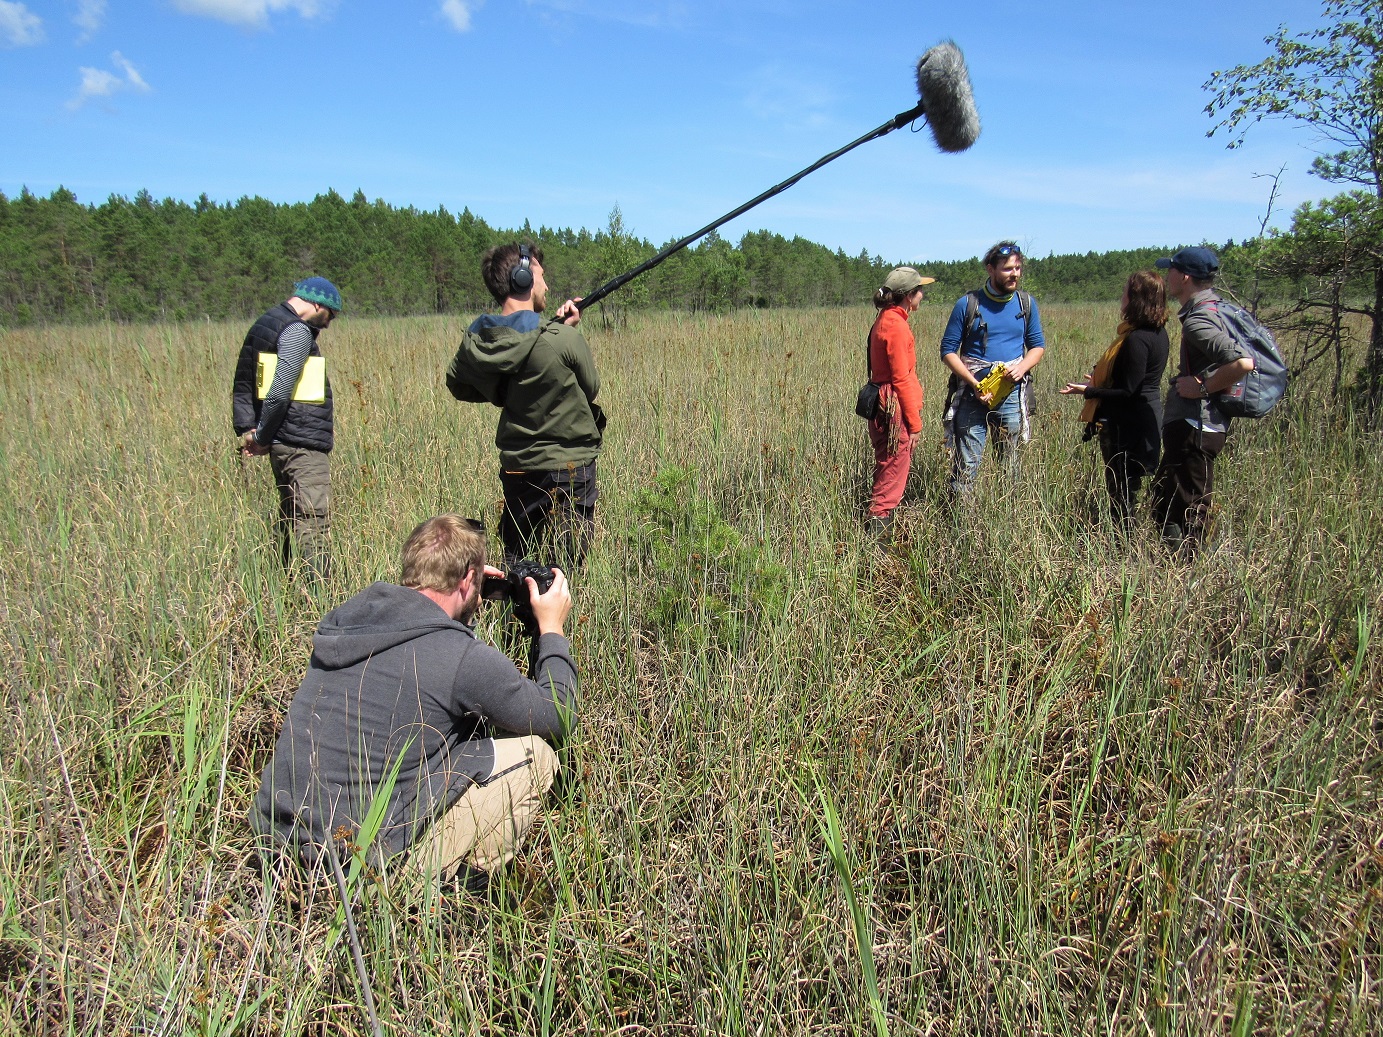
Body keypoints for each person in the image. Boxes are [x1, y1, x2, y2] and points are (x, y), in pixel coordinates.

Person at [249, 514, 576, 891]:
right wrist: (552, 629)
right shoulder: (459, 658)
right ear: (471, 579)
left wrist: (464, 602)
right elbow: (556, 713)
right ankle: (445, 890)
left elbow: (423, 671)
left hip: (278, 853)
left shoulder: (347, 625)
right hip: (356, 871)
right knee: (535, 755)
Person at [447, 243, 604, 568]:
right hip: (569, 469)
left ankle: (513, 613)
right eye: (541, 277)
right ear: (523, 279)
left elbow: (458, 384)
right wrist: (561, 333)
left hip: (518, 469)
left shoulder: (481, 341)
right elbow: (591, 388)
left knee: (518, 558)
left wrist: (502, 388)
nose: (546, 286)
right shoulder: (561, 340)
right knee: (564, 566)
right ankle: (553, 617)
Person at [232, 276, 343, 583]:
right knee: (312, 522)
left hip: (284, 439)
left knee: (291, 517)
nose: (329, 323)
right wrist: (262, 435)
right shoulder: (295, 331)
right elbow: (280, 390)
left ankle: (288, 586)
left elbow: (244, 384)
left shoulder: (265, 323)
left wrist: (251, 429)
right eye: (330, 315)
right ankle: (317, 595)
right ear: (317, 303)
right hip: (299, 443)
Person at [1147, 247, 1255, 552]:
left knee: (1193, 504)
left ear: (1184, 277)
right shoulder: (1216, 308)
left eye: (1170, 271)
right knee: (1164, 497)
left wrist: (1203, 388)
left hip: (1197, 425)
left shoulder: (1198, 321)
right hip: (1198, 424)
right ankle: (1170, 562)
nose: (1166, 276)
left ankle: (1188, 572)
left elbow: (1243, 362)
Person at [1059, 270, 1170, 527]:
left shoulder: (1136, 339)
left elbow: (1128, 392)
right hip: (1145, 418)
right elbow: (1133, 380)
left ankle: (1124, 548)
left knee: (1121, 493)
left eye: (1125, 293)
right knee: (1127, 490)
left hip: (1128, 426)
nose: (1122, 297)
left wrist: (1087, 391)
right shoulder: (1158, 334)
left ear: (1135, 299)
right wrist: (1098, 381)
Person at [939, 241, 1047, 498]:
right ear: (990, 269)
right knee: (966, 468)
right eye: (1008, 269)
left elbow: (1037, 347)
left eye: (1018, 268)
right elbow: (948, 351)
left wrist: (1021, 367)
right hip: (972, 396)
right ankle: (961, 527)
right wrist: (974, 383)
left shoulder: (1026, 304)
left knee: (1010, 468)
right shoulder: (967, 304)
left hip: (1010, 396)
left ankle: (1008, 523)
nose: (1015, 274)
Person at [864, 266, 933, 534]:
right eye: (920, 291)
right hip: (894, 408)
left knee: (887, 469)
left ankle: (877, 542)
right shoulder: (896, 326)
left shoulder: (885, 319)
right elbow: (901, 378)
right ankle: (877, 550)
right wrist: (914, 425)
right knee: (891, 476)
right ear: (909, 295)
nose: (922, 295)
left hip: (884, 402)